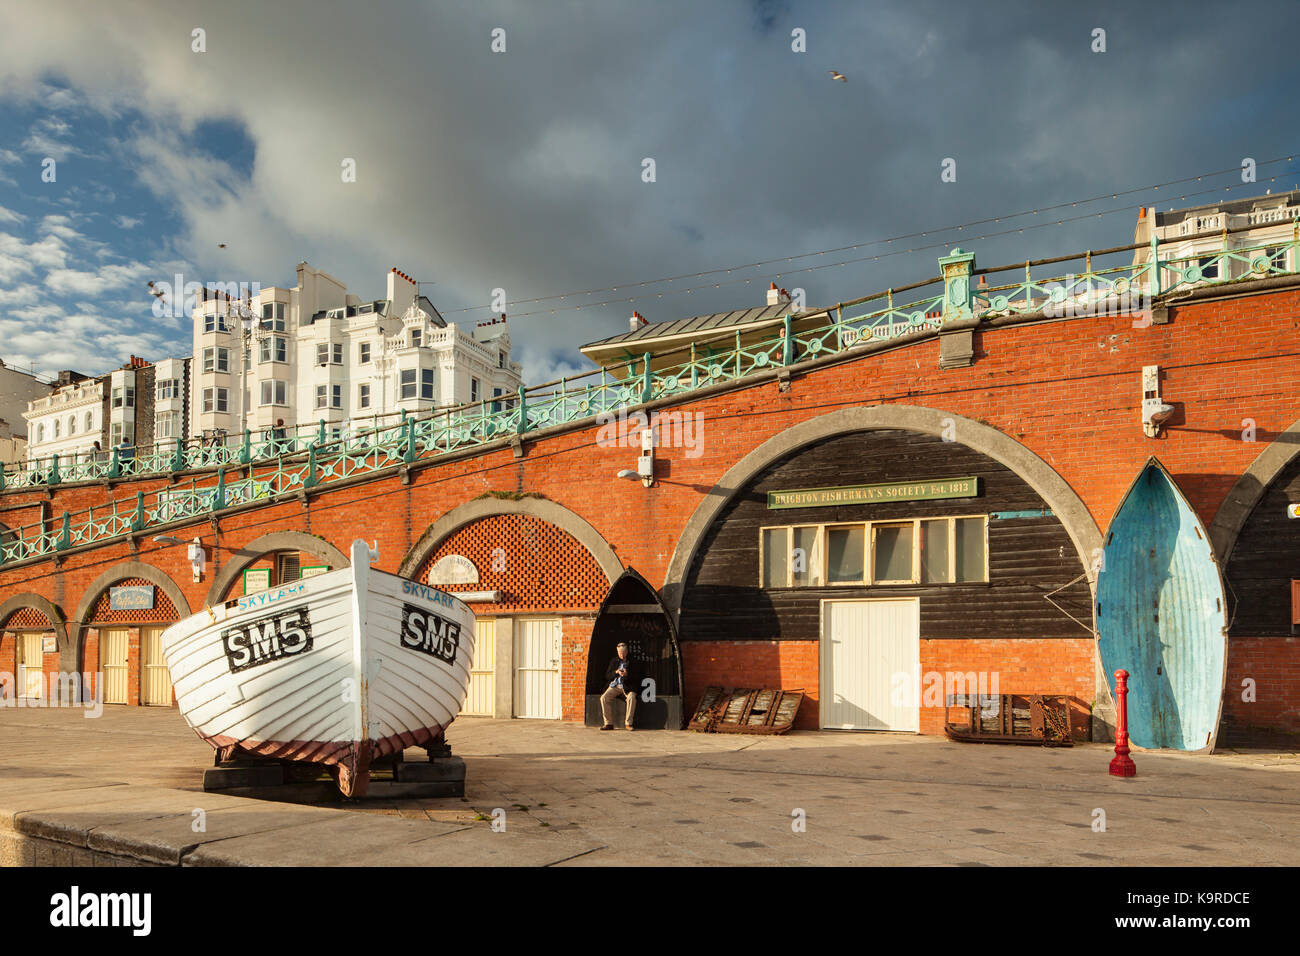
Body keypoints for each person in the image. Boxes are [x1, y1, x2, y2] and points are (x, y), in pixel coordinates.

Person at [599, 642, 640, 731]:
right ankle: (608, 723)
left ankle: (628, 723)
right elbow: (607, 675)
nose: (621, 654)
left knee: (632, 697)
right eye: (620, 653)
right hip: (615, 685)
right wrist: (616, 672)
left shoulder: (632, 661)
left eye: (623, 652)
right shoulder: (614, 661)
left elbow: (637, 676)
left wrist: (627, 674)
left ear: (627, 652)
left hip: (627, 686)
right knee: (603, 698)